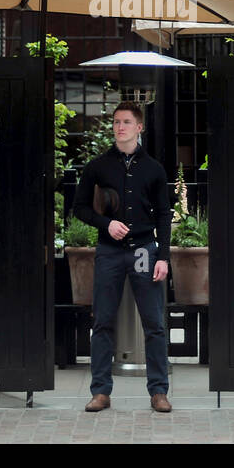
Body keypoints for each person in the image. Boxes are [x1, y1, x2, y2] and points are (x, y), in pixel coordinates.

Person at [71, 101, 172, 412]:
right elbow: (80, 208)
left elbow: (164, 215)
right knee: (102, 321)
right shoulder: (97, 167)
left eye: (127, 122)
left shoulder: (154, 168)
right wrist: (106, 223)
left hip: (144, 250)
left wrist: (163, 257)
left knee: (153, 323)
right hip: (110, 251)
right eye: (116, 121)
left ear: (139, 127)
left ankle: (158, 392)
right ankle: (100, 392)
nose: (120, 126)